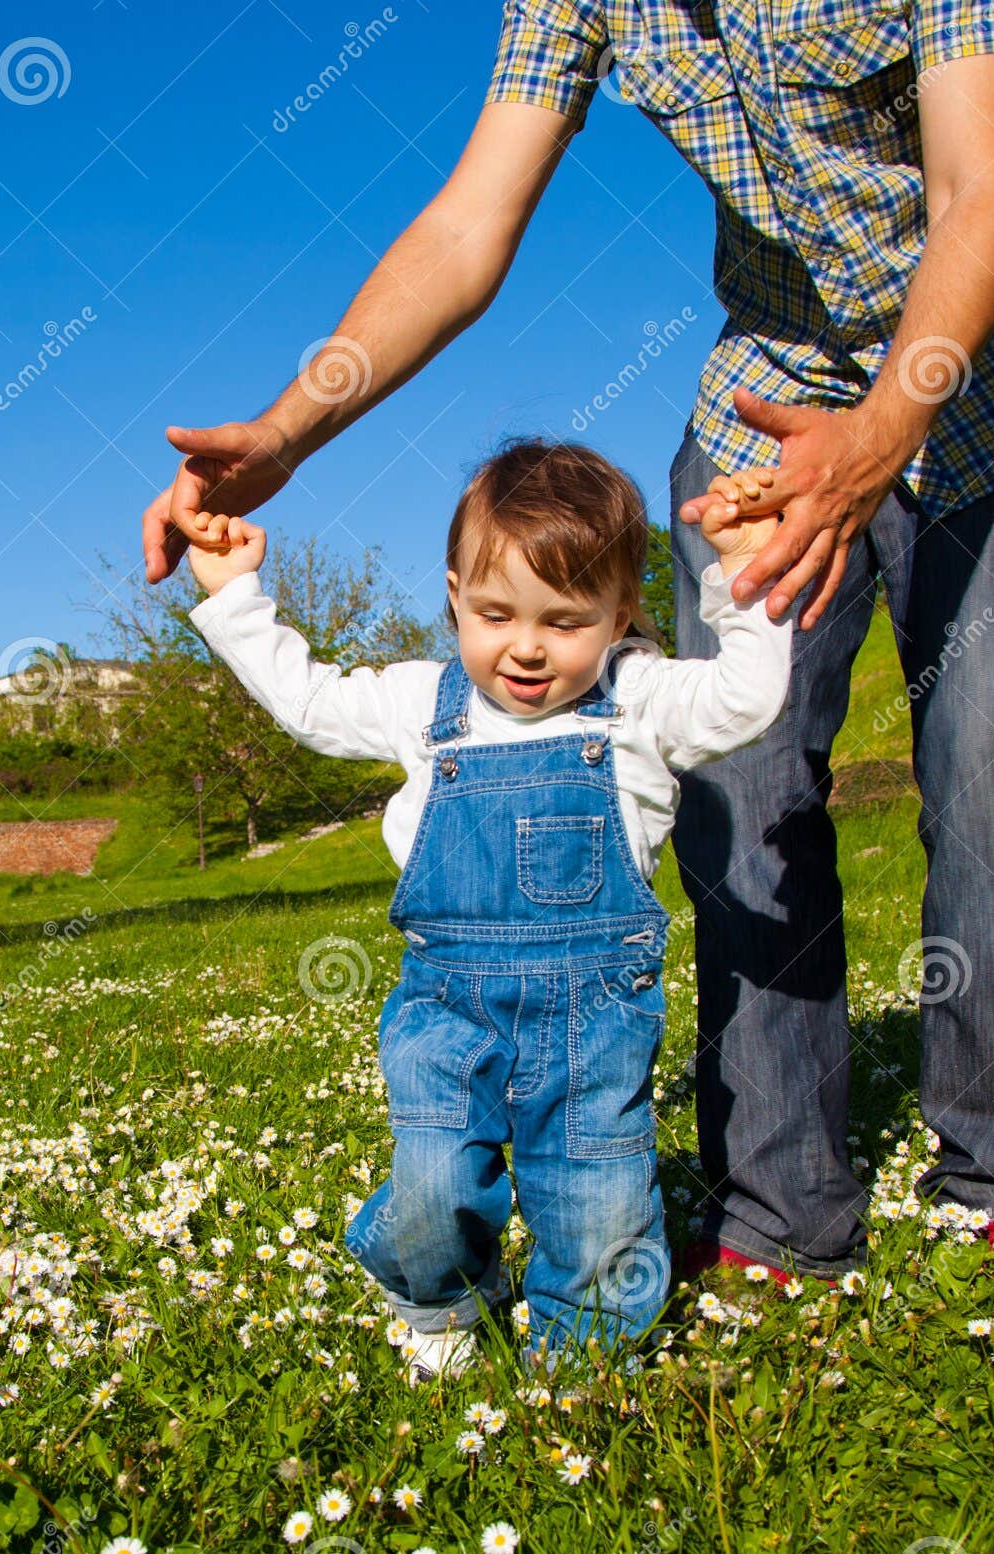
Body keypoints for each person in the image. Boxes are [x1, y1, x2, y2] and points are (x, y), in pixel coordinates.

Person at [144, 6, 994, 1280]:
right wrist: (288, 432)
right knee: (740, 786)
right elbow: (466, 229)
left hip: (993, 363)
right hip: (771, 380)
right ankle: (777, 1209)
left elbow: (979, 186)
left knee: (986, 763)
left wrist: (876, 437)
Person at [184, 438, 790, 1381]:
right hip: (446, 1007)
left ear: (619, 615)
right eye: (496, 613)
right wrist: (233, 596)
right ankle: (441, 1301)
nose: (527, 646)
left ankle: (580, 1366)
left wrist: (740, 577)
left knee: (595, 1195)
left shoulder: (637, 699)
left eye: (566, 620)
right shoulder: (421, 704)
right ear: (455, 597)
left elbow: (746, 698)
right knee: (432, 1183)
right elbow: (307, 701)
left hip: (595, 1017)